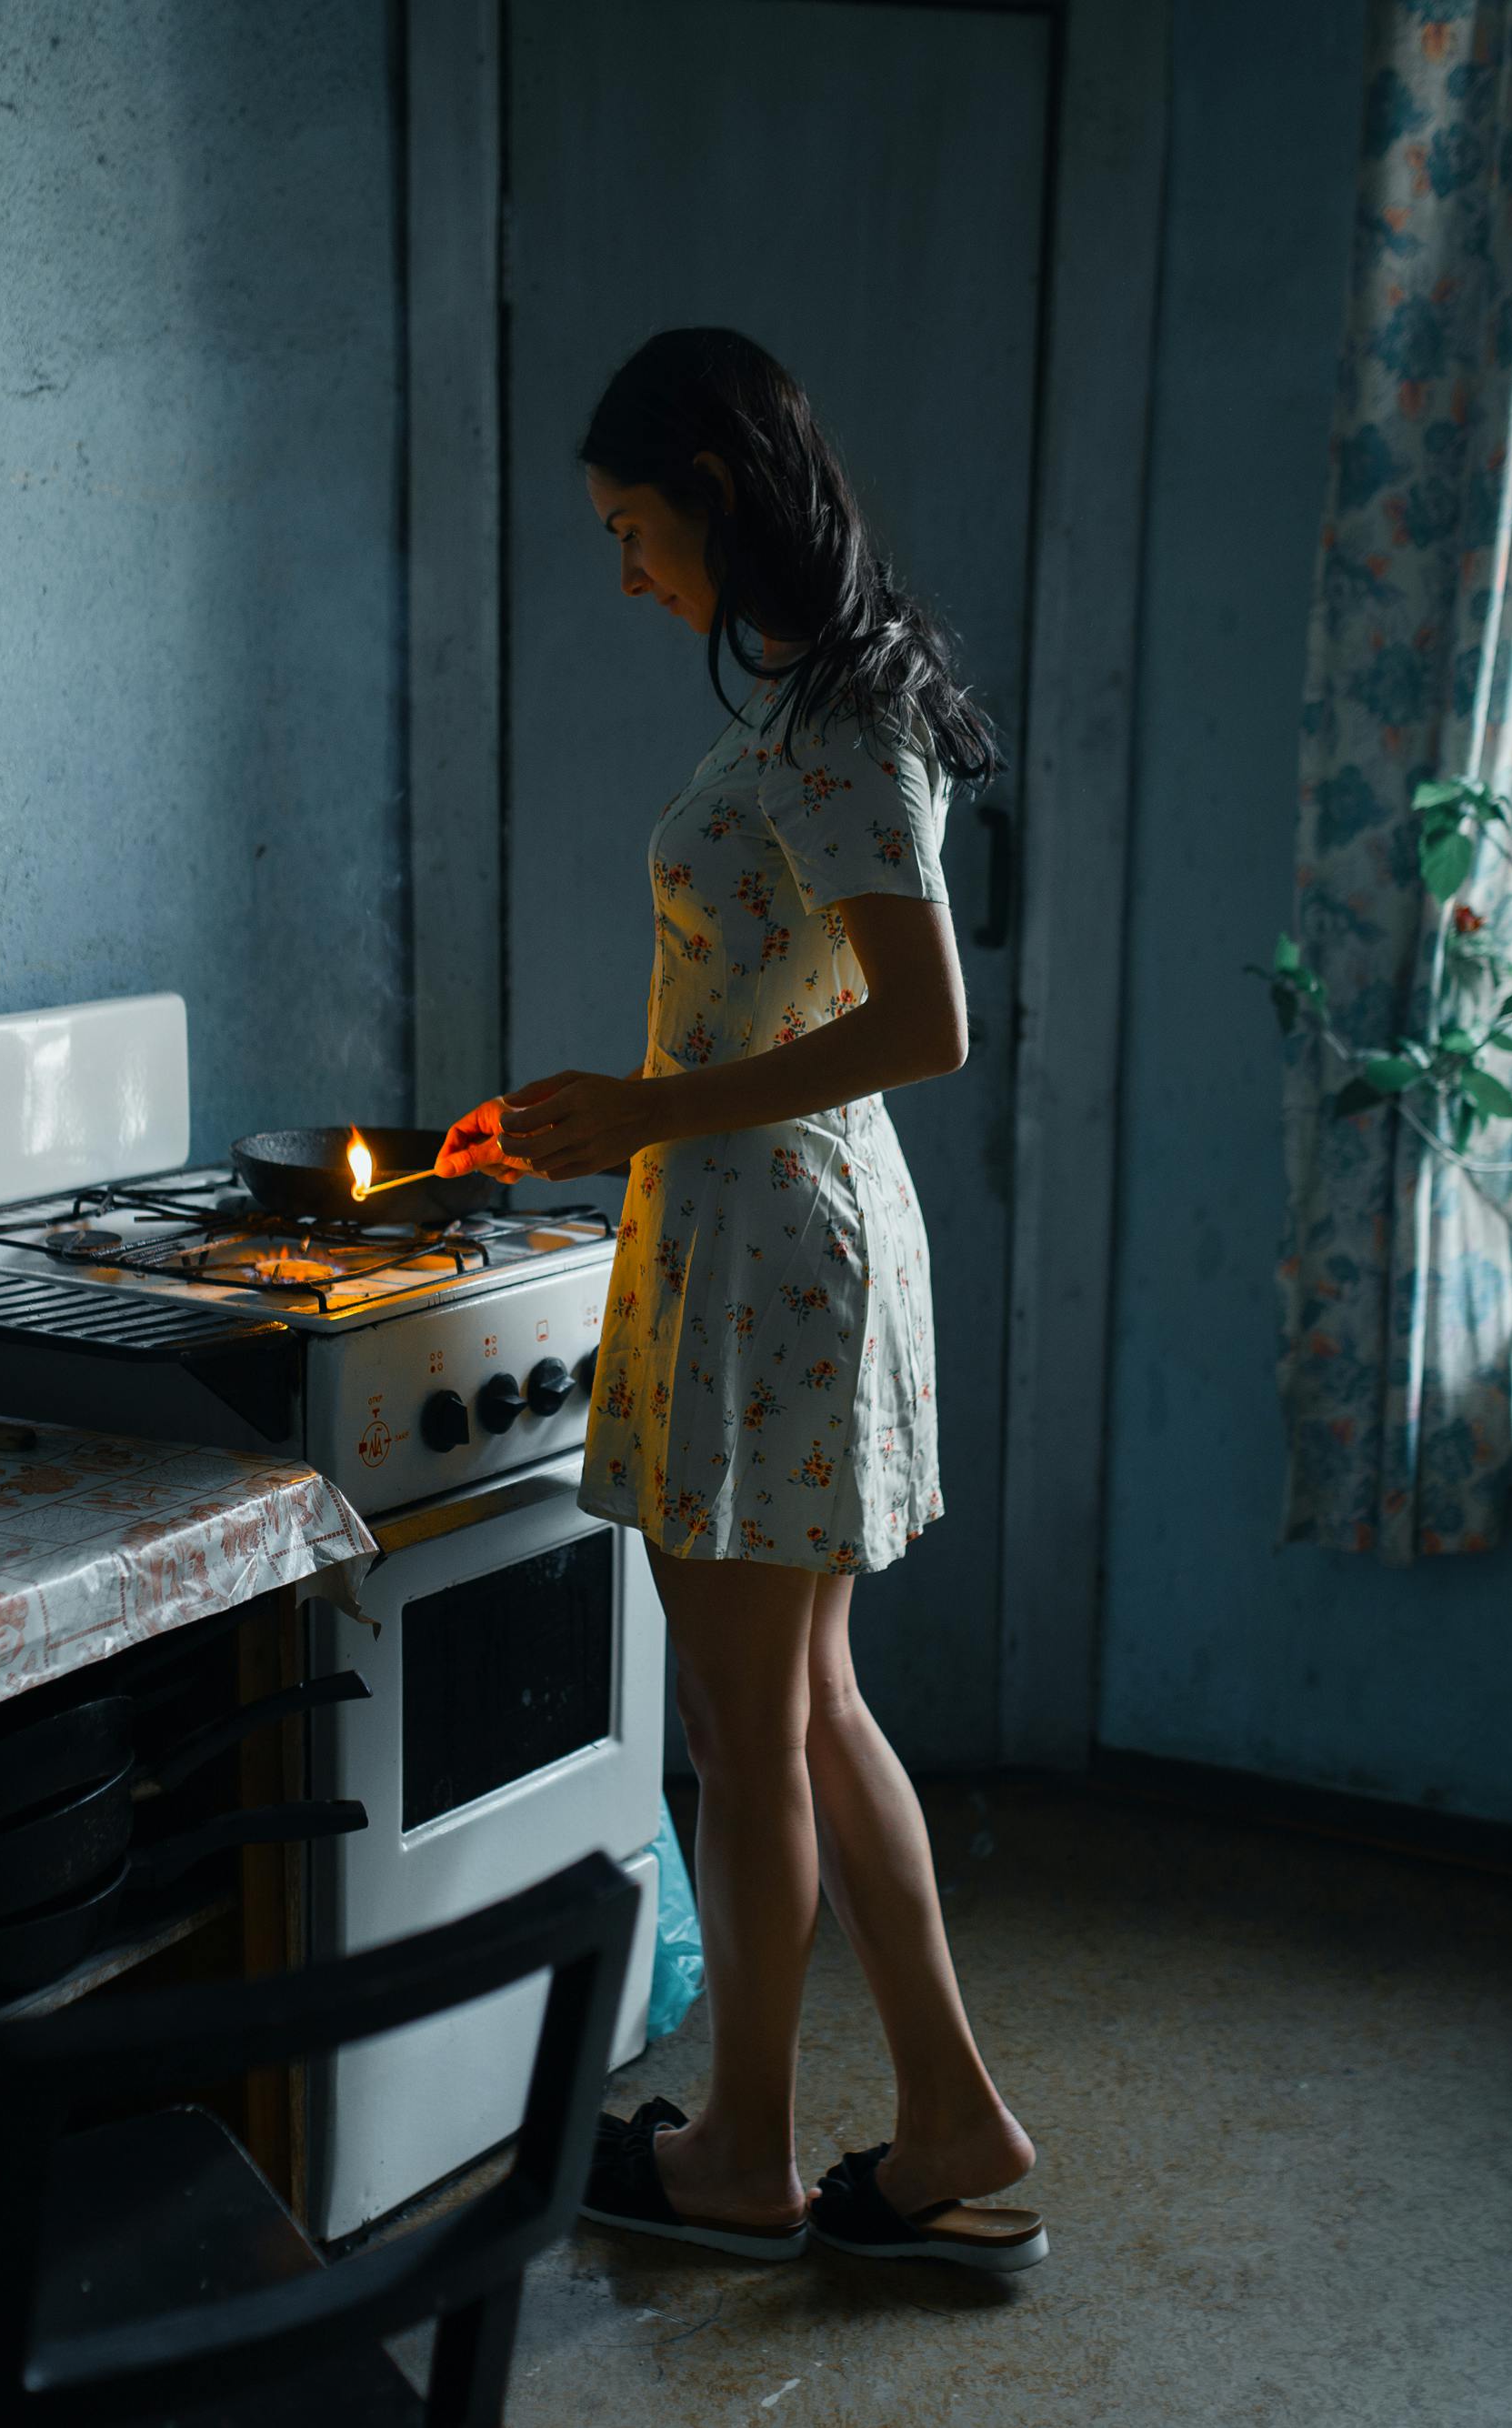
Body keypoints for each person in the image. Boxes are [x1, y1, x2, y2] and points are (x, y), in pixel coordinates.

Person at [436, 327, 1044, 2274]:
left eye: (632, 528)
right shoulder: (812, 689)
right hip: (772, 1237)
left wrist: (643, 1111)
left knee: (745, 1720)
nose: (625, 573)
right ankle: (943, 2114)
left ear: (711, 488)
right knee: (807, 1701)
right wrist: (618, 1117)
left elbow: (926, 1025)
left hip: (774, 1251)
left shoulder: (837, 717)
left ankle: (745, 2152)